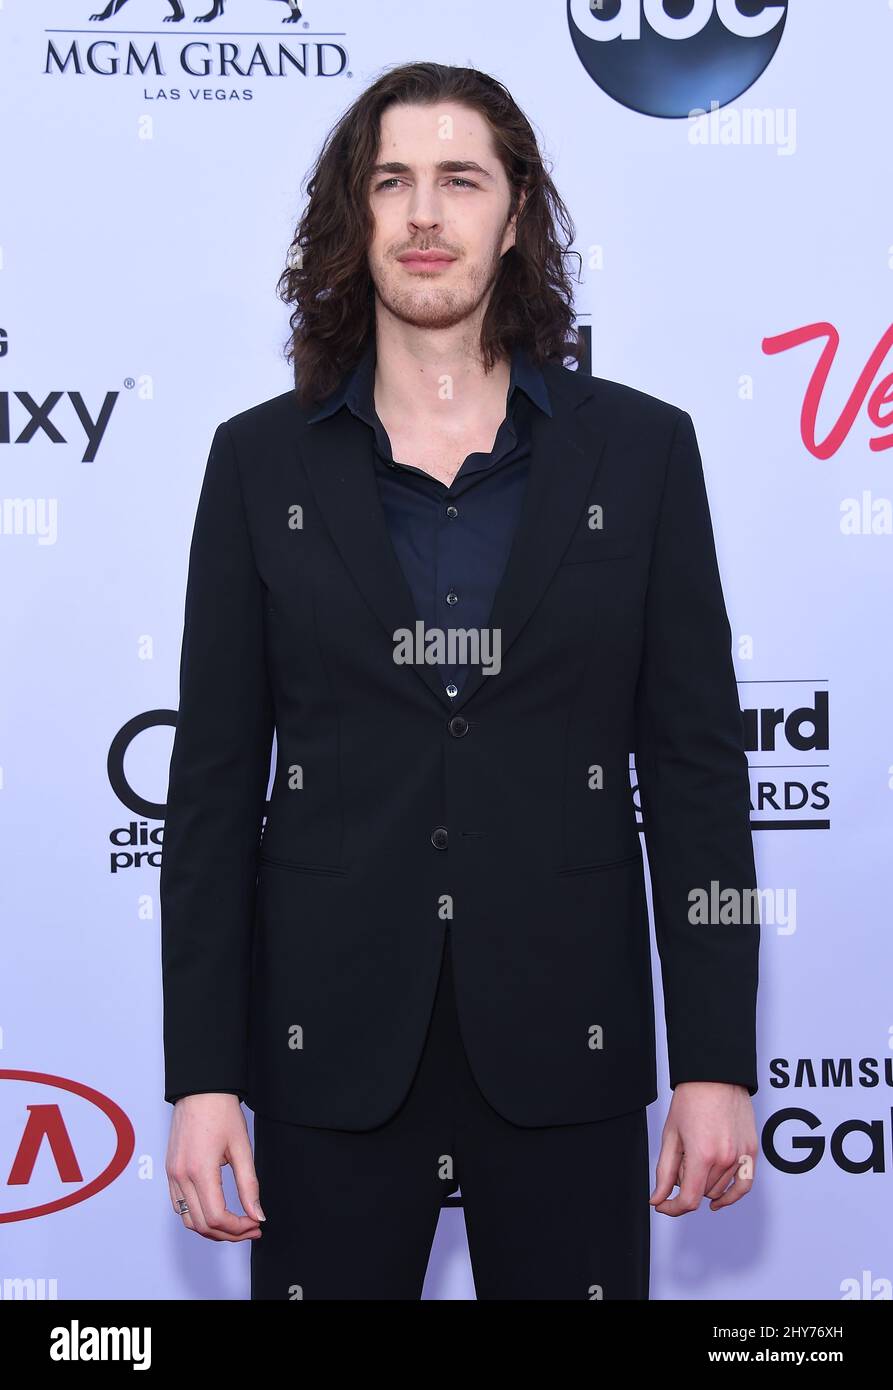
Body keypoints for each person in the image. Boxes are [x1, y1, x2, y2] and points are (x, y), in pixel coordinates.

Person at [161, 61, 760, 1301]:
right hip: (328, 1048)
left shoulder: (642, 453)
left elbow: (696, 775)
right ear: (353, 216)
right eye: (391, 182)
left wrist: (715, 1061)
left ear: (516, 213)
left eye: (458, 180)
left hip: (565, 1041)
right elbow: (212, 792)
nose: (423, 215)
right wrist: (203, 1077)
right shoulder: (254, 462)